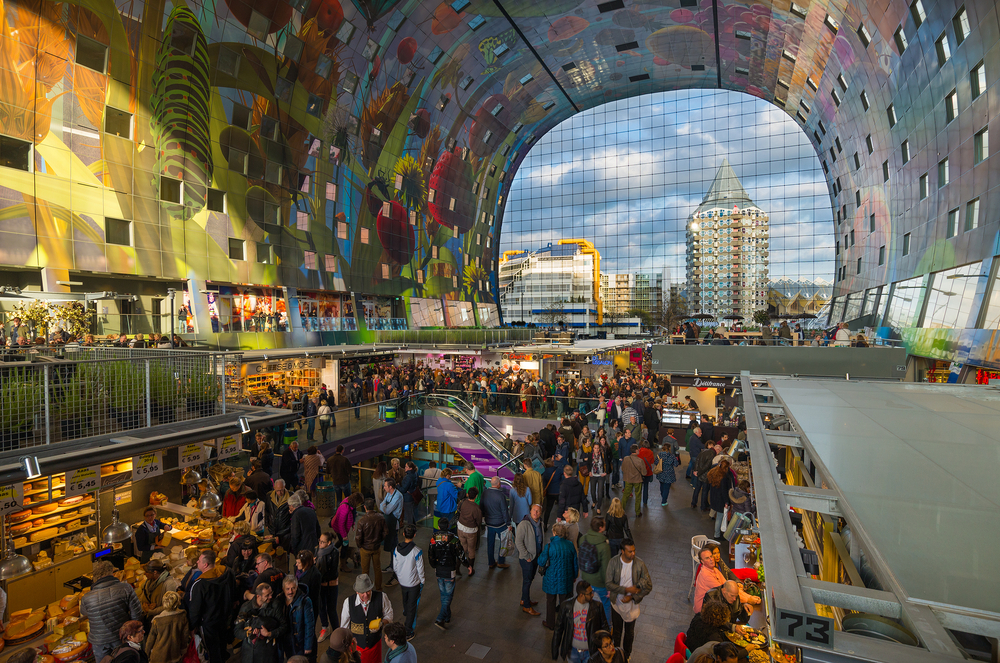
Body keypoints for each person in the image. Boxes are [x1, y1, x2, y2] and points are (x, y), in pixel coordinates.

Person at [81, 560, 143, 660]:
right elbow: (137, 614)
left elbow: (85, 612)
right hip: (121, 637)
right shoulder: (125, 588)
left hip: (99, 641)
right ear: (112, 573)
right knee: (124, 660)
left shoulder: (86, 597)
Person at [605, 539, 652, 661]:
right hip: (616, 604)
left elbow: (649, 586)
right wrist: (626, 590)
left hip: (632, 607)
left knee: (629, 633)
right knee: (617, 632)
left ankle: (626, 655)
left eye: (634, 550)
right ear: (622, 551)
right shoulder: (613, 562)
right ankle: (615, 655)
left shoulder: (639, 564)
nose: (633, 554)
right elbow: (608, 584)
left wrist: (633, 596)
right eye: (630, 551)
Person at [187, 551, 236, 663]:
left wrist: (192, 626)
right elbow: (233, 590)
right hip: (224, 618)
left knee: (212, 650)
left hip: (208, 624)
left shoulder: (199, 584)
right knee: (222, 645)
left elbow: (195, 609)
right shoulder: (226, 572)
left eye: (199, 560)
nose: (197, 562)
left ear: (205, 565)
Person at [339, 574, 394, 663]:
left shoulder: (382, 597)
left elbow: (389, 615)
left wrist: (382, 623)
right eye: (362, 592)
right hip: (357, 648)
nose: (366, 595)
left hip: (375, 645)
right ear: (357, 591)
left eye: (368, 591)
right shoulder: (348, 603)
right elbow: (344, 628)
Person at [552, 581, 610, 663]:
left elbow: (605, 628)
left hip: (590, 652)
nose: (592, 594)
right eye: (589, 593)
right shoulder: (566, 606)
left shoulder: (597, 606)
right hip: (573, 652)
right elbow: (558, 630)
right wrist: (554, 653)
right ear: (581, 595)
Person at [538, 522, 579, 630]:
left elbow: (541, 562)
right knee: (565, 602)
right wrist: (574, 576)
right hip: (566, 578)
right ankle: (564, 623)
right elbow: (575, 563)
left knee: (550, 601)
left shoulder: (549, 546)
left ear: (554, 533)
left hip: (551, 578)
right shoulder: (570, 545)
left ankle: (550, 623)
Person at [427, 518, 466, 630]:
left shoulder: (433, 539)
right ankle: (440, 618)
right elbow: (461, 554)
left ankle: (447, 617)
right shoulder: (453, 539)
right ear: (448, 526)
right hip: (450, 571)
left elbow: (430, 554)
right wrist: (467, 565)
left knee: (444, 595)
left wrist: (434, 565)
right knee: (447, 597)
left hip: (439, 570)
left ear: (438, 527)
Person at [235, 583, 287, 663]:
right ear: (258, 596)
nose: (270, 597)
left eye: (271, 594)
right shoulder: (245, 607)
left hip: (268, 654)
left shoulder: (275, 606)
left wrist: (269, 633)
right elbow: (237, 631)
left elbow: (284, 626)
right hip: (249, 654)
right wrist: (248, 633)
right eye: (267, 595)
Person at [392, 524, 424, 640]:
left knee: (405, 600)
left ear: (404, 534)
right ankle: (408, 631)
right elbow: (420, 569)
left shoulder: (397, 549)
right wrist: (422, 581)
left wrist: (400, 576)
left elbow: (395, 567)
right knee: (412, 606)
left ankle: (406, 612)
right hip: (414, 583)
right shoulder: (417, 551)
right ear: (414, 535)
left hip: (402, 581)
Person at [578, 517, 613, 624]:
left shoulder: (583, 539)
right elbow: (606, 568)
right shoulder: (604, 546)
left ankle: (587, 623)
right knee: (606, 604)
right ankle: (607, 626)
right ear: (601, 528)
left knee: (587, 602)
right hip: (599, 582)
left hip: (585, 578)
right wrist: (608, 587)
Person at [515, 504, 543, 617]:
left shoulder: (540, 522)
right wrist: (526, 556)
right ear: (530, 511)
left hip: (536, 556)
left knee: (529, 579)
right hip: (527, 559)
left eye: (538, 511)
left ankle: (524, 599)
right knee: (527, 581)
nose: (535, 513)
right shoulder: (524, 524)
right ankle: (527, 606)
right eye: (534, 510)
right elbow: (518, 542)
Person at [145, 591, 188, 663]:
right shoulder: (182, 616)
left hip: (158, 656)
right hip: (175, 654)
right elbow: (185, 636)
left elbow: (150, 640)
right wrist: (183, 650)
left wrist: (147, 654)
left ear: (163, 603)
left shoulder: (157, 620)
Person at [355, 498, 388, 590]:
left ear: (364, 507)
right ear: (374, 506)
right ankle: (378, 587)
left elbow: (358, 537)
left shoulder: (362, 520)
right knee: (377, 568)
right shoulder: (380, 517)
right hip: (376, 547)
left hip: (365, 548)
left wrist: (360, 546)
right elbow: (386, 532)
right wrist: (379, 540)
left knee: (365, 570)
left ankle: (366, 588)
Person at [282, 576, 316, 662]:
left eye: (293, 588)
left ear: (297, 587)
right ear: (283, 589)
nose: (290, 591)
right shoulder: (280, 600)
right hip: (288, 642)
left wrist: (308, 646)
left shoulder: (305, 601)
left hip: (300, 643)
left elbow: (309, 625)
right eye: (288, 589)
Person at [316, 532, 341, 642]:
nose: (320, 544)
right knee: (321, 607)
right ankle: (325, 628)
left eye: (323, 542)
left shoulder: (334, 552)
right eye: (320, 541)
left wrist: (323, 579)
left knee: (331, 609)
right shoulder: (317, 550)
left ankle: (336, 632)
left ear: (329, 543)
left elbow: (334, 573)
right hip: (322, 585)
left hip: (331, 586)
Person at [482, 476, 511, 569]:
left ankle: (491, 562)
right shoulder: (501, 495)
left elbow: (481, 506)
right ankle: (501, 561)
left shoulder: (485, 493)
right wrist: (508, 523)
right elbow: (504, 511)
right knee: (503, 542)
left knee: (490, 543)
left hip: (489, 522)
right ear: (498, 484)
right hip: (500, 524)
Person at [379, 478, 403, 585]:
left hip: (393, 524)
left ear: (390, 487)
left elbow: (387, 510)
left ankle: (396, 569)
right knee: (391, 546)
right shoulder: (389, 494)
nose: (384, 487)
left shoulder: (397, 496)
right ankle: (392, 566)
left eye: (385, 486)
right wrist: (384, 507)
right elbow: (382, 505)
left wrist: (384, 507)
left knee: (394, 546)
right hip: (388, 522)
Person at [706, 456, 736, 539]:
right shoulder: (724, 478)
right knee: (719, 517)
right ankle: (717, 535)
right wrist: (726, 502)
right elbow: (724, 491)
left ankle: (717, 533)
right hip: (720, 500)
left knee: (718, 516)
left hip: (714, 498)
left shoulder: (714, 473)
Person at [456, 486, 482, 576]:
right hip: (471, 531)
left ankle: (457, 567)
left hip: (460, 528)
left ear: (467, 494)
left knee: (462, 548)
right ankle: (470, 569)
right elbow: (478, 521)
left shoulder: (462, 502)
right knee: (471, 550)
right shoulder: (476, 508)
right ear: (476, 496)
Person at [693, 547, 727, 613]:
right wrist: (748, 598)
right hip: (703, 611)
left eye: (711, 556)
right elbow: (725, 592)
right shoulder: (706, 575)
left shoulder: (714, 569)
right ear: (702, 562)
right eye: (707, 558)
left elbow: (726, 584)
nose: (711, 559)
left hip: (711, 604)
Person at [288, 491, 321, 556]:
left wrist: (295, 551)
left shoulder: (296, 516)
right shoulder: (311, 510)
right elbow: (318, 528)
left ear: (291, 506)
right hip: (314, 544)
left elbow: (295, 535)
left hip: (303, 548)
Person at [294, 551, 322, 625]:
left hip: (309, 608)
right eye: (296, 562)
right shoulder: (297, 570)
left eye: (299, 563)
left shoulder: (315, 575)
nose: (296, 564)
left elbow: (314, 595)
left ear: (306, 563)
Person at [692, 443, 721, 511]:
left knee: (697, 489)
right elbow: (707, 466)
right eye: (719, 452)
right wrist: (699, 473)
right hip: (705, 475)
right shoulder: (712, 454)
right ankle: (703, 506)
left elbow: (697, 460)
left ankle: (693, 503)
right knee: (704, 492)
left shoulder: (704, 451)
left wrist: (696, 470)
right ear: (717, 449)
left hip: (699, 474)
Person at [654, 441, 682, 506]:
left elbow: (655, 462)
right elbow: (676, 464)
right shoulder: (671, 456)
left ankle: (663, 495)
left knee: (662, 486)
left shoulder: (659, 454)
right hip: (669, 474)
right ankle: (664, 501)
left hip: (661, 473)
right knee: (667, 488)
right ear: (669, 448)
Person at [620, 447, 645, 517]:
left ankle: (621, 511)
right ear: (636, 451)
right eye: (638, 449)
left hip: (628, 479)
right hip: (637, 480)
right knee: (638, 496)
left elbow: (622, 468)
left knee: (625, 495)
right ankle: (637, 512)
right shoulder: (640, 461)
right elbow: (644, 473)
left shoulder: (626, 459)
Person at [265, 479, 291, 546]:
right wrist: (267, 523)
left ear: (284, 486)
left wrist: (289, 527)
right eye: (277, 490)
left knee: (284, 550)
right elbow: (267, 510)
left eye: (281, 490)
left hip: (285, 530)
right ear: (274, 488)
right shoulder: (269, 496)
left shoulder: (291, 496)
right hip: (272, 529)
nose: (280, 493)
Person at [399, 461, 420, 526]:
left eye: (406, 467)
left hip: (408, 498)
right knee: (411, 513)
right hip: (413, 496)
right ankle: (413, 526)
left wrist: (397, 486)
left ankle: (410, 528)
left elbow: (403, 489)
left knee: (409, 515)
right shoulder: (415, 474)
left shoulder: (408, 477)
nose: (405, 468)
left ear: (410, 468)